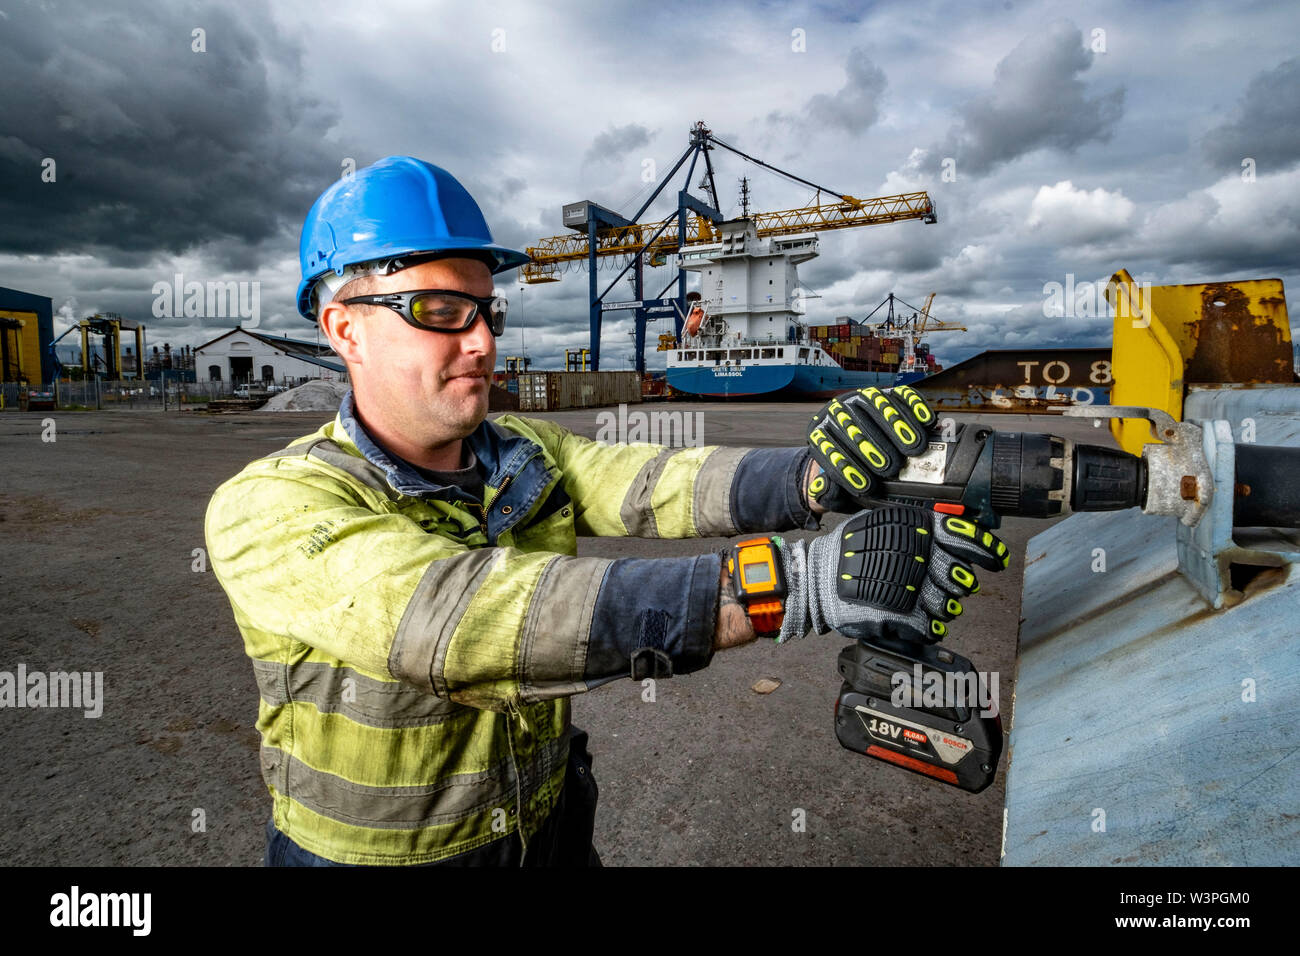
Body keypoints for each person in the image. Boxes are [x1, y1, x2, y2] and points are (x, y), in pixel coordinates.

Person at [204, 156, 1008, 866]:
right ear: (344, 328)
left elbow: (655, 479)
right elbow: (455, 619)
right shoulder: (268, 506)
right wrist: (797, 585)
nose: (482, 342)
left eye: (487, 311)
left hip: (546, 821)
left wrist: (816, 477)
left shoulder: (517, 451)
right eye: (442, 312)